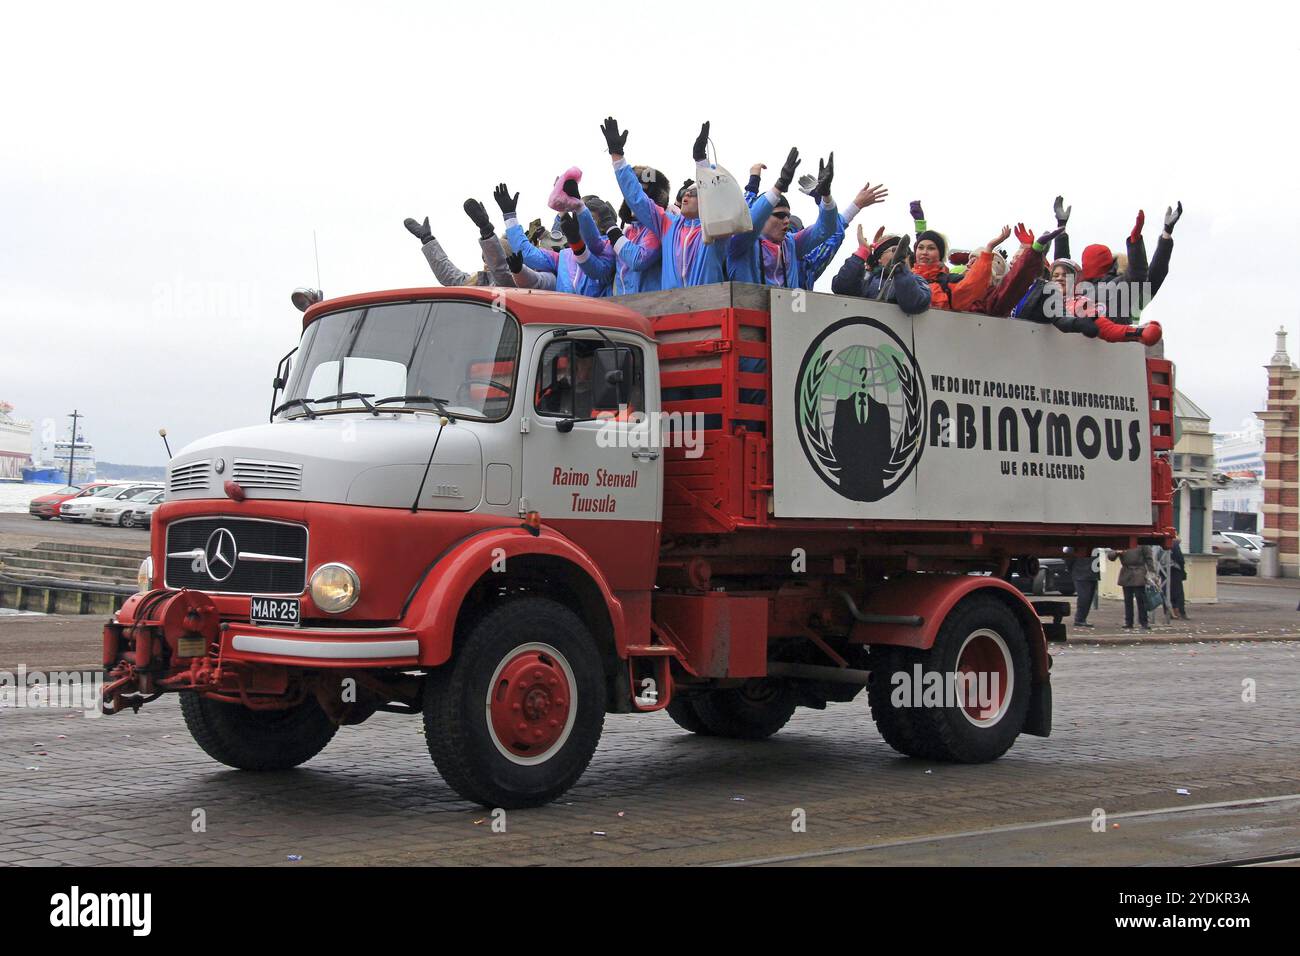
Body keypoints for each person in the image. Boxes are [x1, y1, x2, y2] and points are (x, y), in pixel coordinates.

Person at [601, 117, 727, 289]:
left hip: (708, 309)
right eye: (684, 192)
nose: (686, 195)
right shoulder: (668, 223)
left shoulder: (715, 229)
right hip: (672, 310)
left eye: (694, 192)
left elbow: (715, 197)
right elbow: (638, 199)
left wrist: (701, 163)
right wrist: (617, 157)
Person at [726, 148, 841, 288]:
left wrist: (826, 196)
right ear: (763, 216)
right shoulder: (741, 244)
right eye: (779, 215)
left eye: (788, 216)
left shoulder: (791, 243)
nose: (786, 221)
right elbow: (750, 223)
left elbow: (826, 229)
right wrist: (779, 186)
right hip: (747, 309)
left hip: (785, 309)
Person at [495, 182, 612, 297]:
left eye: (591, 218)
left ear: (603, 223)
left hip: (597, 314)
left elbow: (596, 270)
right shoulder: (563, 256)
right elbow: (526, 253)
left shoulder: (609, 249)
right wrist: (510, 217)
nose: (584, 221)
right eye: (581, 216)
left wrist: (577, 242)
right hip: (563, 314)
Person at [403, 200, 515, 287]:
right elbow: (449, 276)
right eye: (484, 259)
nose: (486, 264)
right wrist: (428, 240)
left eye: (489, 259)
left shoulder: (511, 281)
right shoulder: (477, 281)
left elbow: (500, 270)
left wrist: (486, 231)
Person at [830, 229, 932, 313]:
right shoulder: (868, 279)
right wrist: (863, 252)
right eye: (894, 250)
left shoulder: (919, 281)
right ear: (880, 259)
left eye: (904, 251)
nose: (901, 254)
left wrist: (899, 269)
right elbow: (841, 287)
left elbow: (915, 303)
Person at [1111, 545, 1156, 631]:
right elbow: (1110, 556)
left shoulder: (1142, 543)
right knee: (1128, 600)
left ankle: (1144, 622)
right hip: (1126, 573)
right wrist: (1117, 552)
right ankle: (1129, 622)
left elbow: (1149, 558)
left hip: (1139, 572)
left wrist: (1152, 572)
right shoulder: (1122, 542)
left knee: (1141, 600)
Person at [1066, 546, 1099, 628]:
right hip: (1081, 573)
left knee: (1088, 598)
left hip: (1091, 574)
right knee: (1084, 598)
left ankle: (1081, 619)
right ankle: (1079, 619)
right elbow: (1069, 557)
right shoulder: (1076, 544)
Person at [1169, 535, 1189, 619]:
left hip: (1165, 571)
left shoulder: (1160, 545)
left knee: (1168, 592)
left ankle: (1171, 611)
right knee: (1178, 593)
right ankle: (1180, 612)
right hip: (1175, 571)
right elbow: (1180, 559)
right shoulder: (1174, 544)